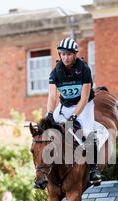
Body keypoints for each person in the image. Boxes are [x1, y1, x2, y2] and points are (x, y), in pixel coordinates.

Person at [46, 37, 102, 185]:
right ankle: (46, 170)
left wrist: (74, 116)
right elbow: (52, 96)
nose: (65, 57)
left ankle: (93, 170)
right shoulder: (55, 72)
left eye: (69, 54)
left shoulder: (84, 69)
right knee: (49, 130)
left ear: (75, 54)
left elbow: (84, 98)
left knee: (87, 132)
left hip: (84, 105)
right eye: (63, 54)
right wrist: (50, 114)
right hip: (65, 105)